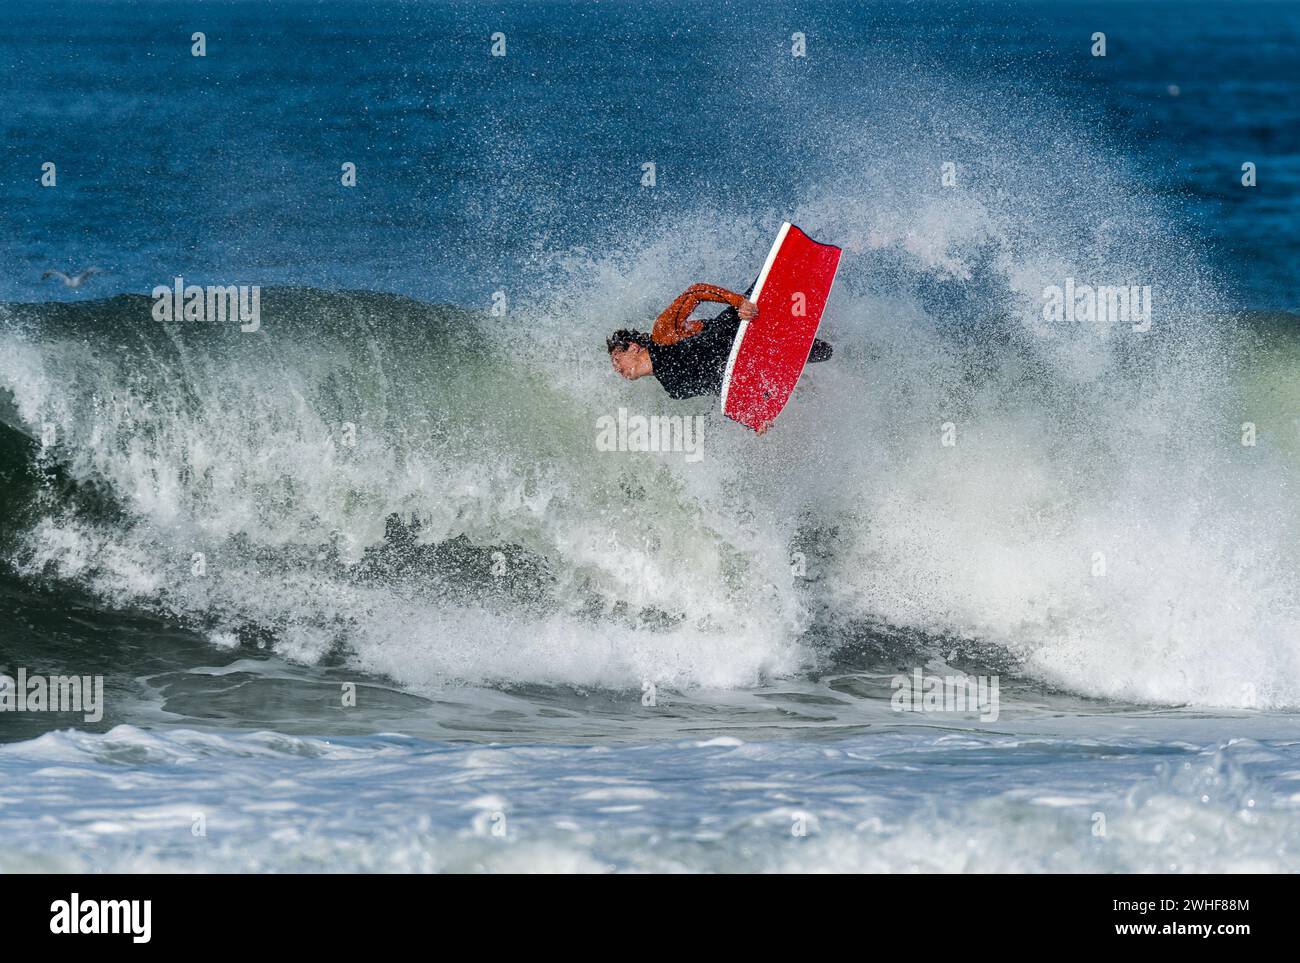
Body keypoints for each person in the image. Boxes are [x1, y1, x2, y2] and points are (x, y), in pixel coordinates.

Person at [606, 283, 832, 401]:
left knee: (781, 280)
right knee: (825, 351)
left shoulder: (662, 335)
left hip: (743, 322)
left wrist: (739, 302)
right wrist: (755, 415)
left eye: (617, 359)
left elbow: (696, 292)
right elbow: (722, 388)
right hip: (752, 357)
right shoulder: (674, 389)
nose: (617, 368)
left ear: (633, 348)